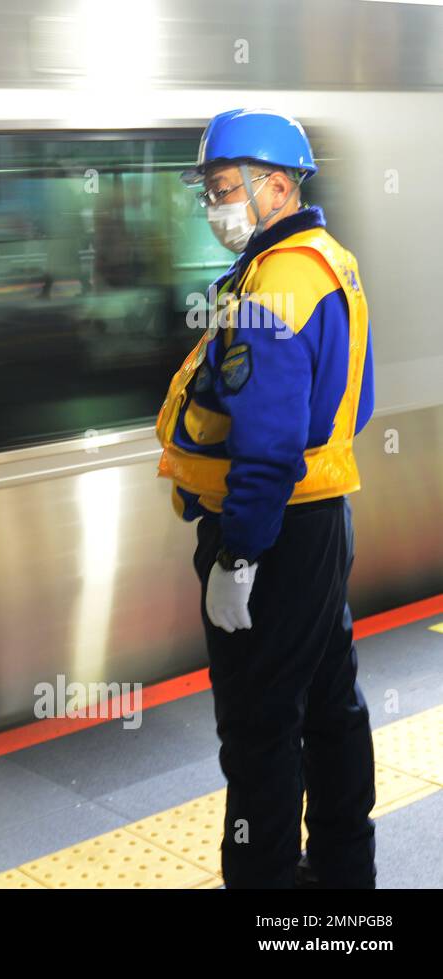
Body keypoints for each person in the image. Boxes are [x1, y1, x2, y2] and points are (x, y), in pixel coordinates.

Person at [155, 108, 377, 888]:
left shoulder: (273, 286)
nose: (214, 204)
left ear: (276, 185)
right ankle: (345, 880)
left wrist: (239, 555)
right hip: (318, 522)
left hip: (273, 534)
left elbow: (269, 443)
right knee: (328, 705)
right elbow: (357, 402)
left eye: (224, 188)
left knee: (258, 725)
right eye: (211, 192)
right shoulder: (327, 262)